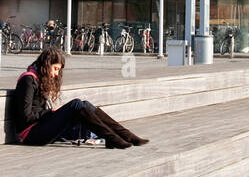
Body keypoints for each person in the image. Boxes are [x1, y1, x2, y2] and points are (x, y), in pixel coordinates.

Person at [10, 47, 148, 149]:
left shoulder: (39, 79)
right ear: (46, 65)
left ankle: (125, 135)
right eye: (55, 69)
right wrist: (50, 113)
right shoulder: (28, 80)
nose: (57, 74)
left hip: (42, 127)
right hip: (31, 134)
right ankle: (112, 137)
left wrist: (50, 114)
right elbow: (26, 117)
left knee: (85, 104)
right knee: (76, 104)